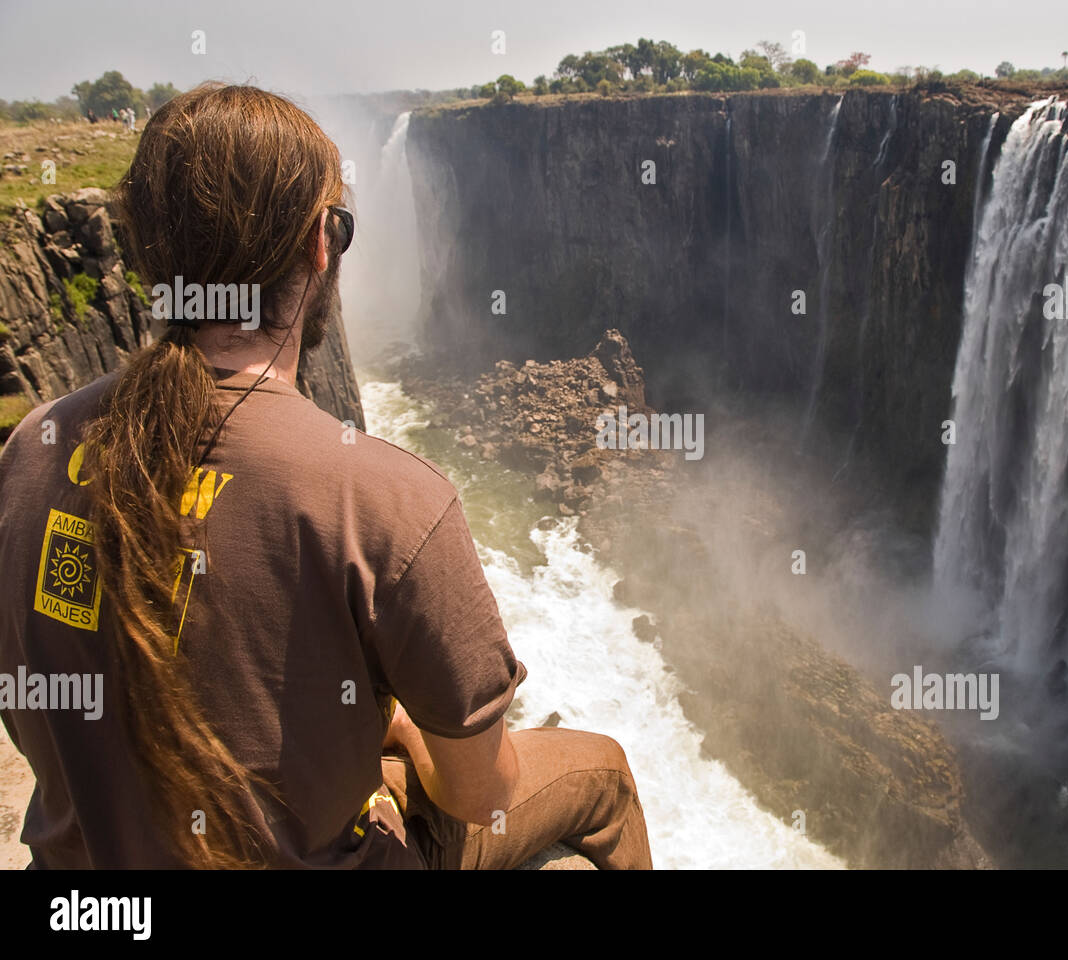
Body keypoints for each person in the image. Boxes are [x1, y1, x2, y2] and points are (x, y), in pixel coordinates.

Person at [0, 82, 651, 870]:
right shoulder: (384, 498)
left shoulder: (31, 451)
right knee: (605, 771)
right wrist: (405, 729)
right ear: (320, 245)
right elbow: (486, 794)